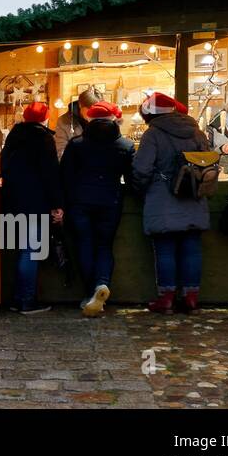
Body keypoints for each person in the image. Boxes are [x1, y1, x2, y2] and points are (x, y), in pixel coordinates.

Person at [130, 91, 211, 313]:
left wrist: (140, 189)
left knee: (165, 250)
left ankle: (166, 299)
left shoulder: (153, 134)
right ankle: (191, 298)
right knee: (192, 249)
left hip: (162, 200)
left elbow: (141, 170)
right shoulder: (197, 131)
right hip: (194, 198)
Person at [60, 100, 133, 316]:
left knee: (84, 245)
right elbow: (131, 179)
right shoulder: (125, 146)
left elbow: (65, 176)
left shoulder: (77, 144)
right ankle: (101, 284)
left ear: (89, 119)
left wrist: (63, 203)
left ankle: (90, 292)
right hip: (110, 201)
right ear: (113, 120)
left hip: (80, 201)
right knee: (104, 246)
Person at [0, 101, 63, 314]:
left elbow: (4, 167)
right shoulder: (44, 138)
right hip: (35, 203)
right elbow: (51, 174)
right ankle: (27, 300)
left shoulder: (13, 136)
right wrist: (57, 205)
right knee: (31, 251)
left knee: (22, 250)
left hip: (13, 202)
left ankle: (18, 298)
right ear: (44, 118)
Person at [55, 86, 103, 160]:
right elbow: (61, 153)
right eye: (90, 110)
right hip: (76, 168)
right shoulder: (64, 122)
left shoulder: (104, 120)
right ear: (80, 105)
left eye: (96, 111)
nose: (93, 114)